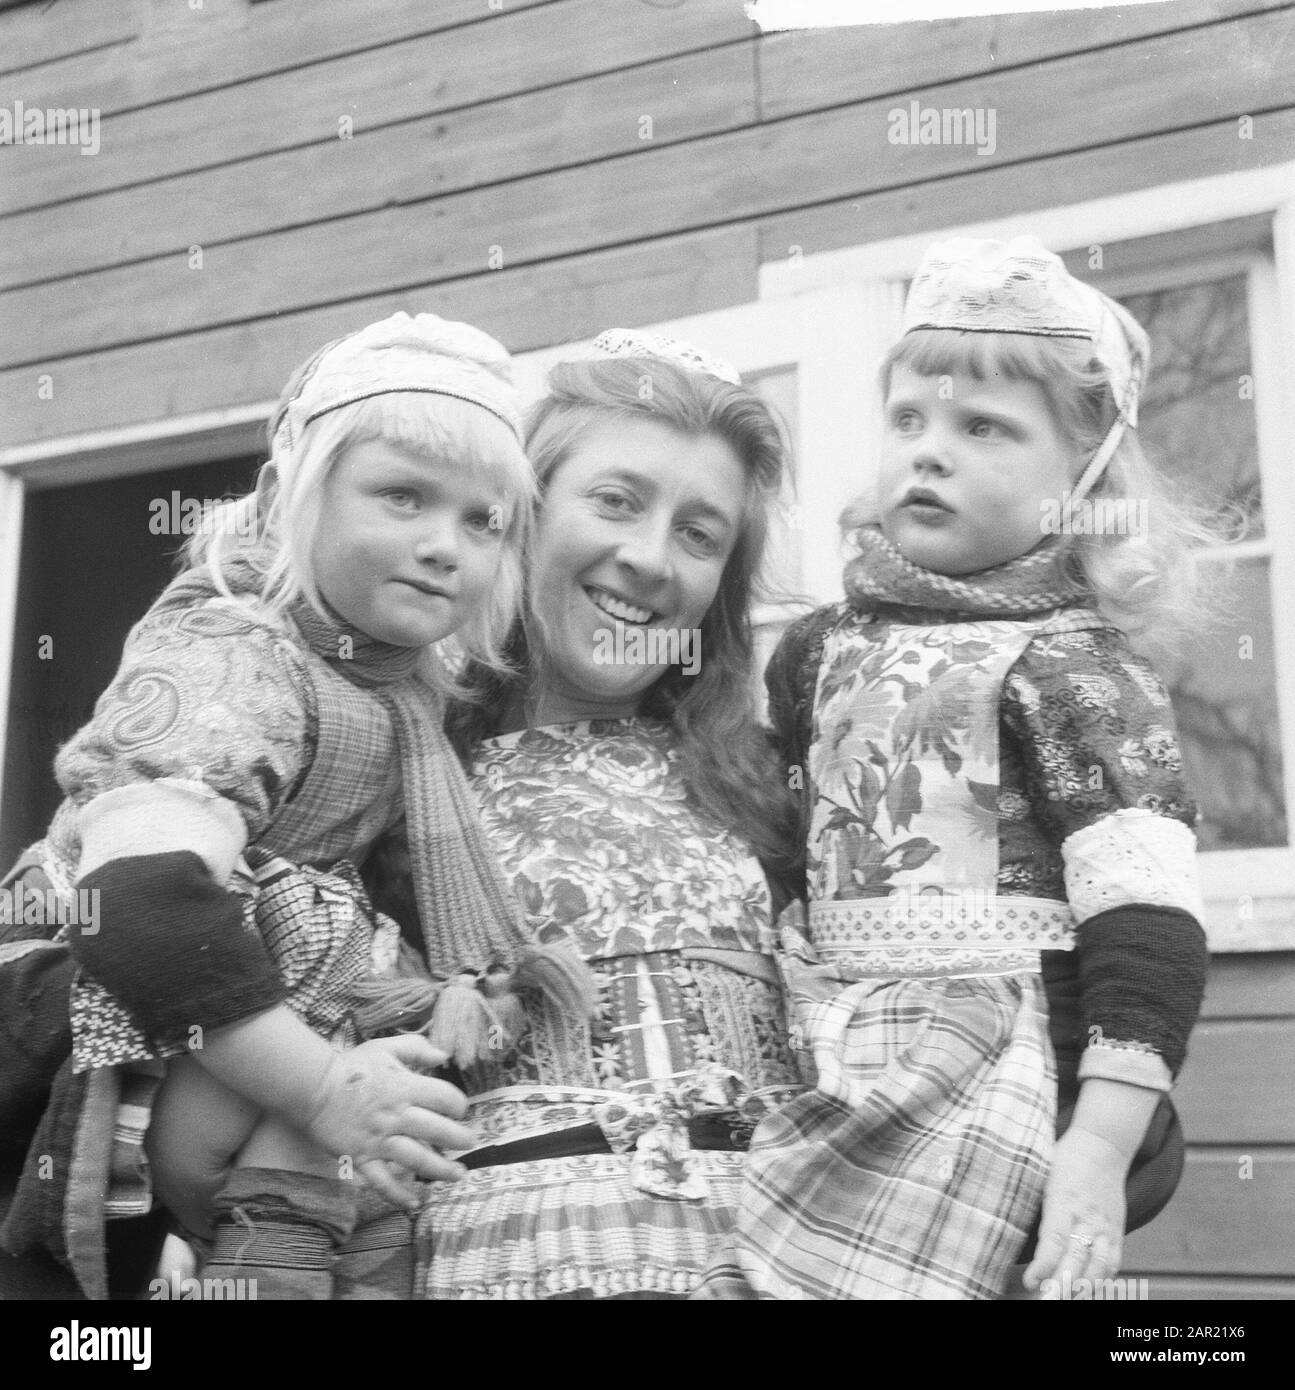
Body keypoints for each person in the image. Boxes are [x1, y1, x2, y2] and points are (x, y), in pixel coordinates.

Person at [0, 311, 587, 1300]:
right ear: (284, 498)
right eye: (402, 494)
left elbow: (431, 924)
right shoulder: (235, 651)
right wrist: (323, 1090)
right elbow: (142, 905)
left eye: (483, 520)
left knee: (394, 1097)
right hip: (71, 1025)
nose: (445, 545)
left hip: (193, 1041)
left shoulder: (398, 702)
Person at [694, 237, 1213, 1300]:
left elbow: (1144, 914)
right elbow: (787, 847)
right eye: (907, 419)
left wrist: (1101, 1144)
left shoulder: (1072, 662)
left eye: (982, 428)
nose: (928, 451)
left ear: (1081, 477)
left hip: (1007, 1064)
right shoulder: (816, 650)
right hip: (835, 1047)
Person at [358, 329, 805, 1299]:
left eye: (699, 533)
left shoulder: (777, 794)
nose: (648, 558)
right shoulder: (390, 775)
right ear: (521, 515)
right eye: (614, 501)